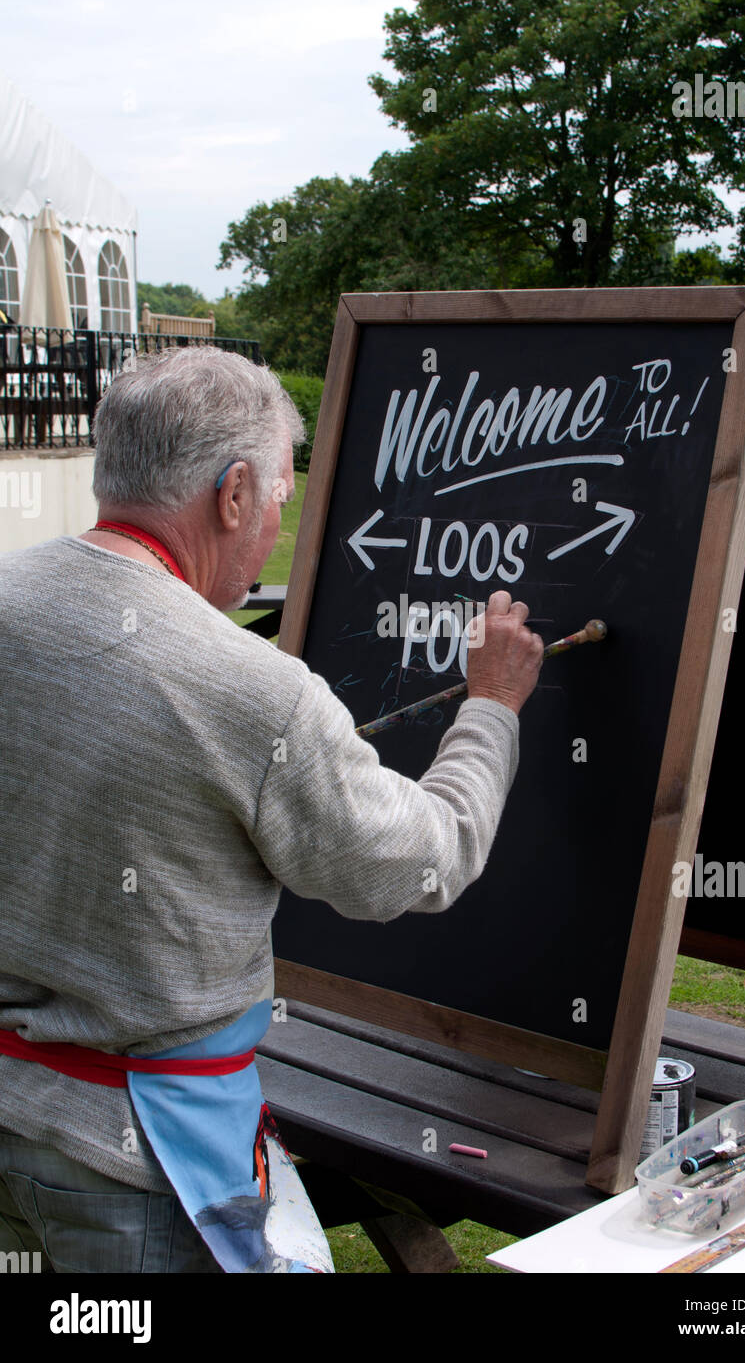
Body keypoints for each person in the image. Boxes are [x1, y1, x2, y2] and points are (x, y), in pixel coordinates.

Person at [0, 345, 543, 1273]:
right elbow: (427, 859)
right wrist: (489, 708)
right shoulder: (249, 690)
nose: (273, 531)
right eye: (281, 501)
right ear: (234, 493)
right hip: (133, 1160)